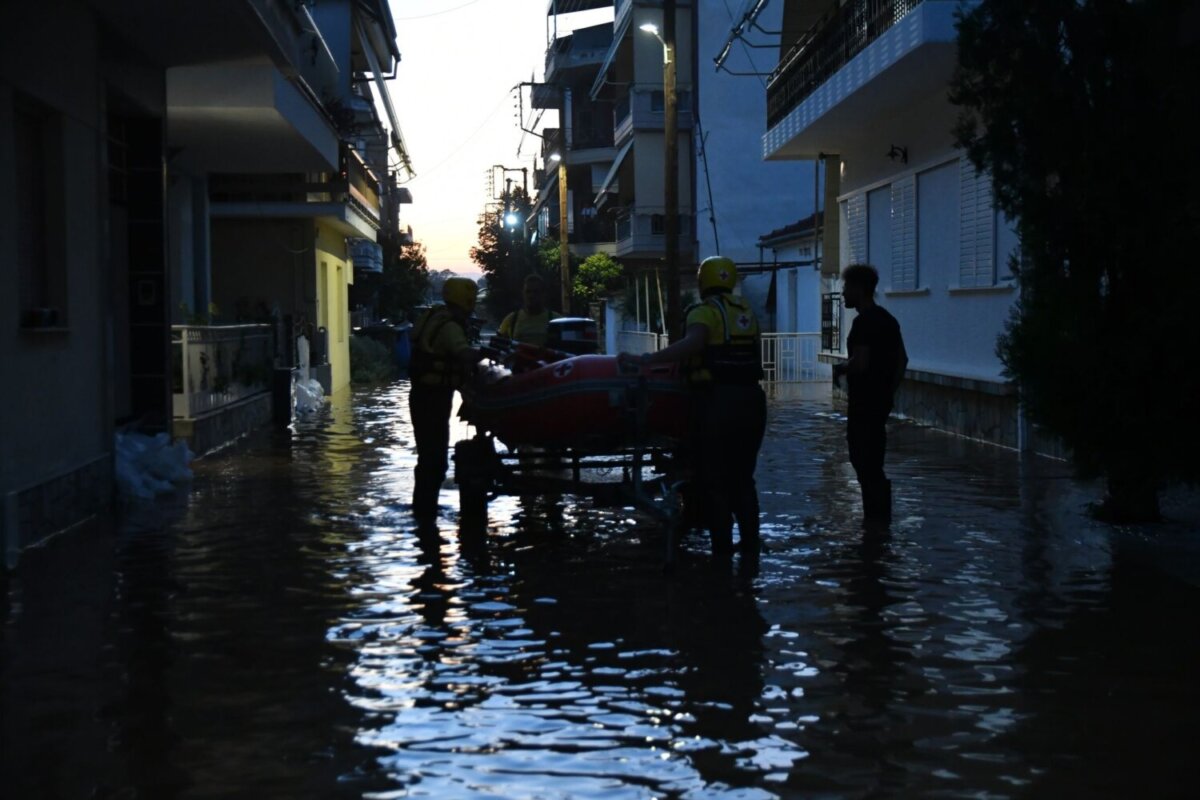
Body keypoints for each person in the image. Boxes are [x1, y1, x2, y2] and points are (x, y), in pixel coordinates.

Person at [619, 256, 767, 559]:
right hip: (752, 401)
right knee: (743, 479)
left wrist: (647, 360)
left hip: (717, 401)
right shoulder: (746, 313)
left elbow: (694, 343)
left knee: (715, 480)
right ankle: (751, 548)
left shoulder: (704, 311)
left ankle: (721, 555)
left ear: (703, 282)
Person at [831, 264, 908, 527]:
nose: (842, 294)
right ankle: (880, 525)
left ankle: (873, 526)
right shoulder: (888, 319)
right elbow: (902, 361)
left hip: (863, 404)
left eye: (846, 288)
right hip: (880, 403)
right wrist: (888, 392)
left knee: (863, 463)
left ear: (859, 289)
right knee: (874, 464)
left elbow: (861, 362)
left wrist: (841, 367)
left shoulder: (863, 322)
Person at [408, 277, 481, 524]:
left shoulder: (436, 317)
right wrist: (485, 356)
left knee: (429, 459)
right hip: (432, 400)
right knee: (434, 462)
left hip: (425, 396)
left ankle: (423, 515)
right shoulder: (450, 327)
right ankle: (425, 517)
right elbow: (464, 355)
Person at [498, 274, 558, 348]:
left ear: (543, 294)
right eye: (528, 291)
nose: (531, 295)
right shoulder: (511, 319)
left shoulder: (556, 320)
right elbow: (498, 347)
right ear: (523, 293)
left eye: (536, 292)